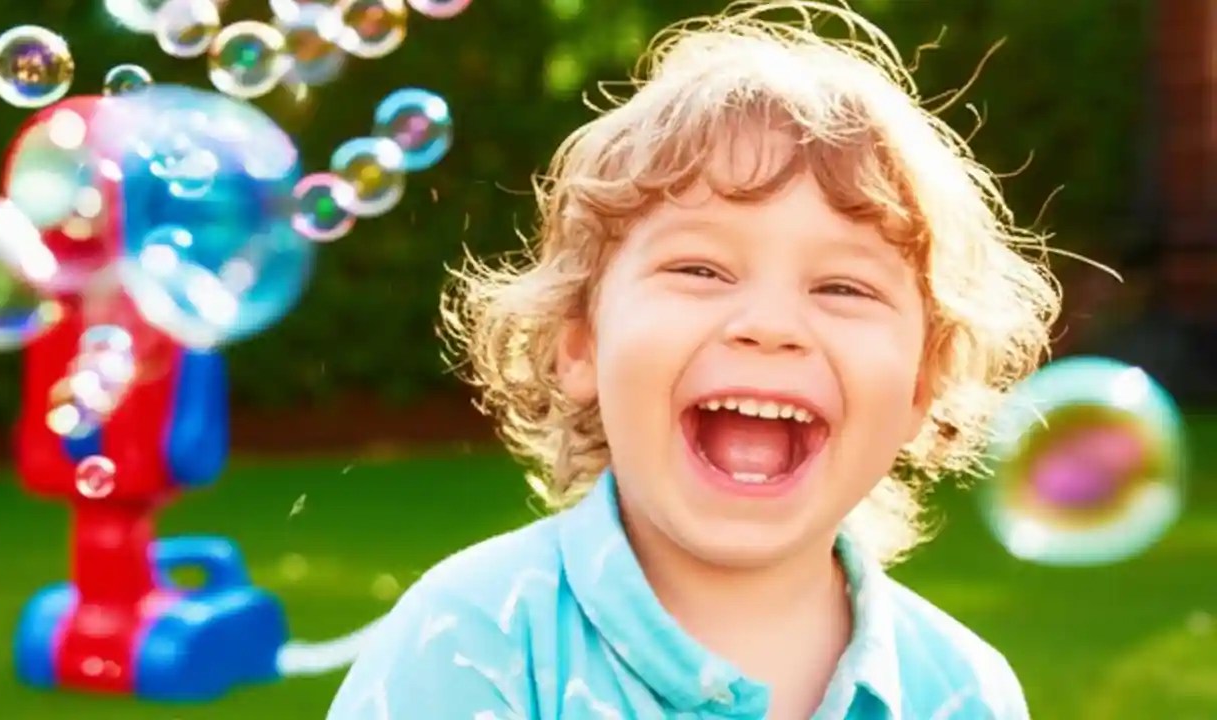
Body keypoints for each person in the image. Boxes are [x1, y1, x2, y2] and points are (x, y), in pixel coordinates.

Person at [328, 1, 1061, 717]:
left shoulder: (959, 690)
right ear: (580, 342)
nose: (771, 327)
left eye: (843, 286)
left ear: (920, 389)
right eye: (700, 271)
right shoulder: (473, 642)